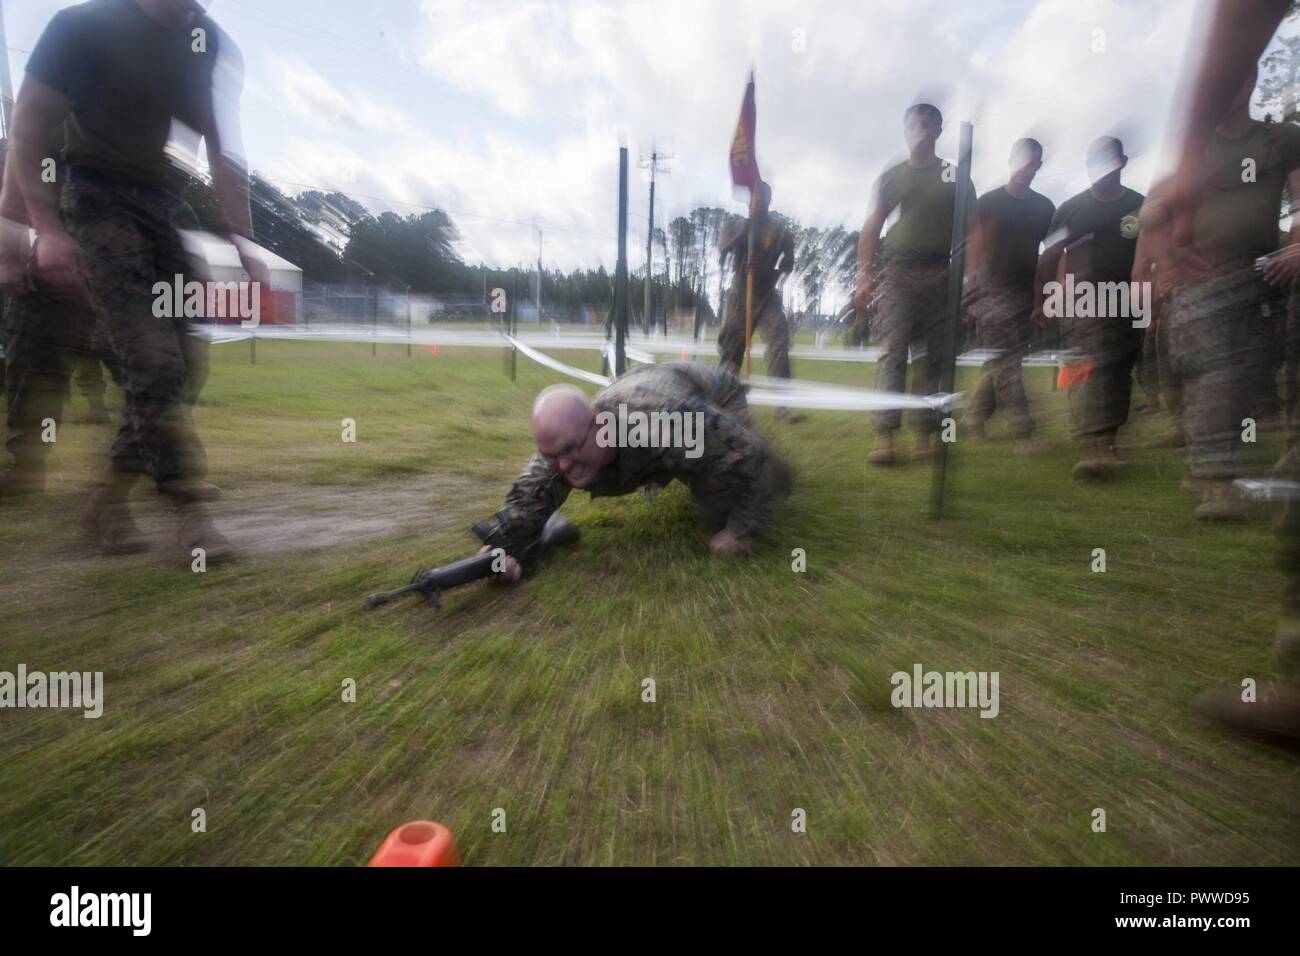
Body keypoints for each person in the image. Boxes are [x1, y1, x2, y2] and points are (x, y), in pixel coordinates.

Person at [7, 0, 267, 558]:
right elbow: (27, 130)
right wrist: (45, 229)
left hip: (163, 206)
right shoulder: (84, 27)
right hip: (93, 198)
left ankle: (108, 499)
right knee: (152, 362)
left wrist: (242, 235)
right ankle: (189, 507)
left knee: (183, 367)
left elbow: (222, 146)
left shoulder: (209, 41)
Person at [1139, 69, 1300, 520]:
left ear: (1246, 83)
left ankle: (1212, 466)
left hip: (1264, 273)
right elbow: (1150, 214)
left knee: (1250, 375)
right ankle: (1214, 482)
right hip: (1201, 278)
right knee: (1214, 375)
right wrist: (1164, 263)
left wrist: (1297, 246)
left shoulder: (1282, 138)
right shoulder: (1188, 150)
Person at [476, 363, 791, 581]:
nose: (564, 466)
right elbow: (525, 501)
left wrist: (741, 531)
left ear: (601, 427)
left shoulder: (669, 421)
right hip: (651, 394)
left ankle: (779, 471)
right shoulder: (563, 444)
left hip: (713, 392)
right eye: (551, 456)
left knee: (722, 497)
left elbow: (747, 453)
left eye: (571, 450)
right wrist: (503, 550)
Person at [856, 103, 976, 466]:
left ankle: (926, 435)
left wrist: (970, 277)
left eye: (928, 123)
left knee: (935, 358)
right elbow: (873, 226)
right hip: (897, 273)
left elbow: (975, 230)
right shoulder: (893, 176)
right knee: (893, 352)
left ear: (939, 130)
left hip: (941, 272)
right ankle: (886, 438)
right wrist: (864, 274)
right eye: (914, 123)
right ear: (906, 129)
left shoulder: (955, 176)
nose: (920, 128)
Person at [1032, 137, 1145, 479]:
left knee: (1116, 370)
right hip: (1080, 301)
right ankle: (1088, 442)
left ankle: (1108, 441)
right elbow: (1050, 257)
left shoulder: (1140, 206)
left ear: (1122, 162)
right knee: (1081, 367)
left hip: (1126, 300)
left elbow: (1153, 250)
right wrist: (1041, 301)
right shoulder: (1070, 208)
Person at [961, 138, 1055, 452]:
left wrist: (1047, 295)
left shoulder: (1044, 207)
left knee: (1005, 360)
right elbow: (973, 243)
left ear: (1039, 166)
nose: (1026, 169)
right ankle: (1023, 433)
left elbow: (1054, 251)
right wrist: (971, 283)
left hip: (1025, 291)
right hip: (990, 290)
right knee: (1007, 362)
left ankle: (975, 416)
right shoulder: (988, 202)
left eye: (1033, 163)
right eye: (1022, 161)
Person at [717, 181, 795, 387]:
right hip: (739, 295)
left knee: (779, 340)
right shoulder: (737, 226)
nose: (759, 200)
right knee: (731, 344)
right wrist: (740, 236)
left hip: (767, 296)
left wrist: (773, 270)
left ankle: (782, 402)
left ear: (770, 200)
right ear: (748, 200)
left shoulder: (780, 231)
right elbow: (722, 252)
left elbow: (789, 264)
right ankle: (726, 393)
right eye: (755, 196)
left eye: (764, 196)